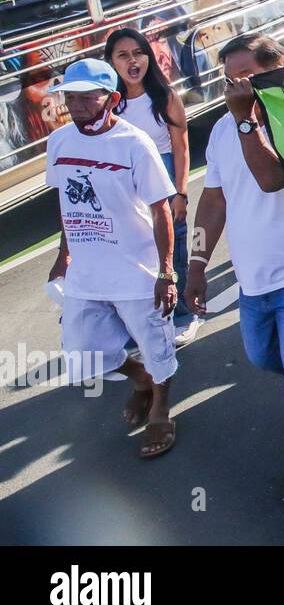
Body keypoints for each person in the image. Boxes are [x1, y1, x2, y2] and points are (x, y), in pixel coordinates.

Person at [186, 34, 284, 502]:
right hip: (253, 277)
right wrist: (196, 263)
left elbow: (271, 178)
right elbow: (213, 201)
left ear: (275, 70)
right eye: (228, 81)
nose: (234, 89)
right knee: (263, 357)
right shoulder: (222, 129)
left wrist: (246, 121)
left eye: (244, 78)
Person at [45, 58, 179, 459]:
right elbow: (65, 199)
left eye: (88, 97)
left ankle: (161, 409)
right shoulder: (60, 141)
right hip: (86, 271)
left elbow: (161, 210)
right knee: (83, 350)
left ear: (112, 98)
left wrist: (166, 272)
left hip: (136, 270)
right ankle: (139, 377)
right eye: (71, 98)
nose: (77, 106)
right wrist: (63, 253)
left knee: (155, 345)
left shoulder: (134, 143)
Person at [105, 28, 200, 346]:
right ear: (111, 62)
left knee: (173, 249)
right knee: (135, 253)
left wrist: (181, 192)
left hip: (164, 175)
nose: (132, 61)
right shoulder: (109, 104)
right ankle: (142, 320)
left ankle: (184, 315)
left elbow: (181, 148)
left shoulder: (165, 97)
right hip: (126, 184)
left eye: (138, 53)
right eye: (123, 55)